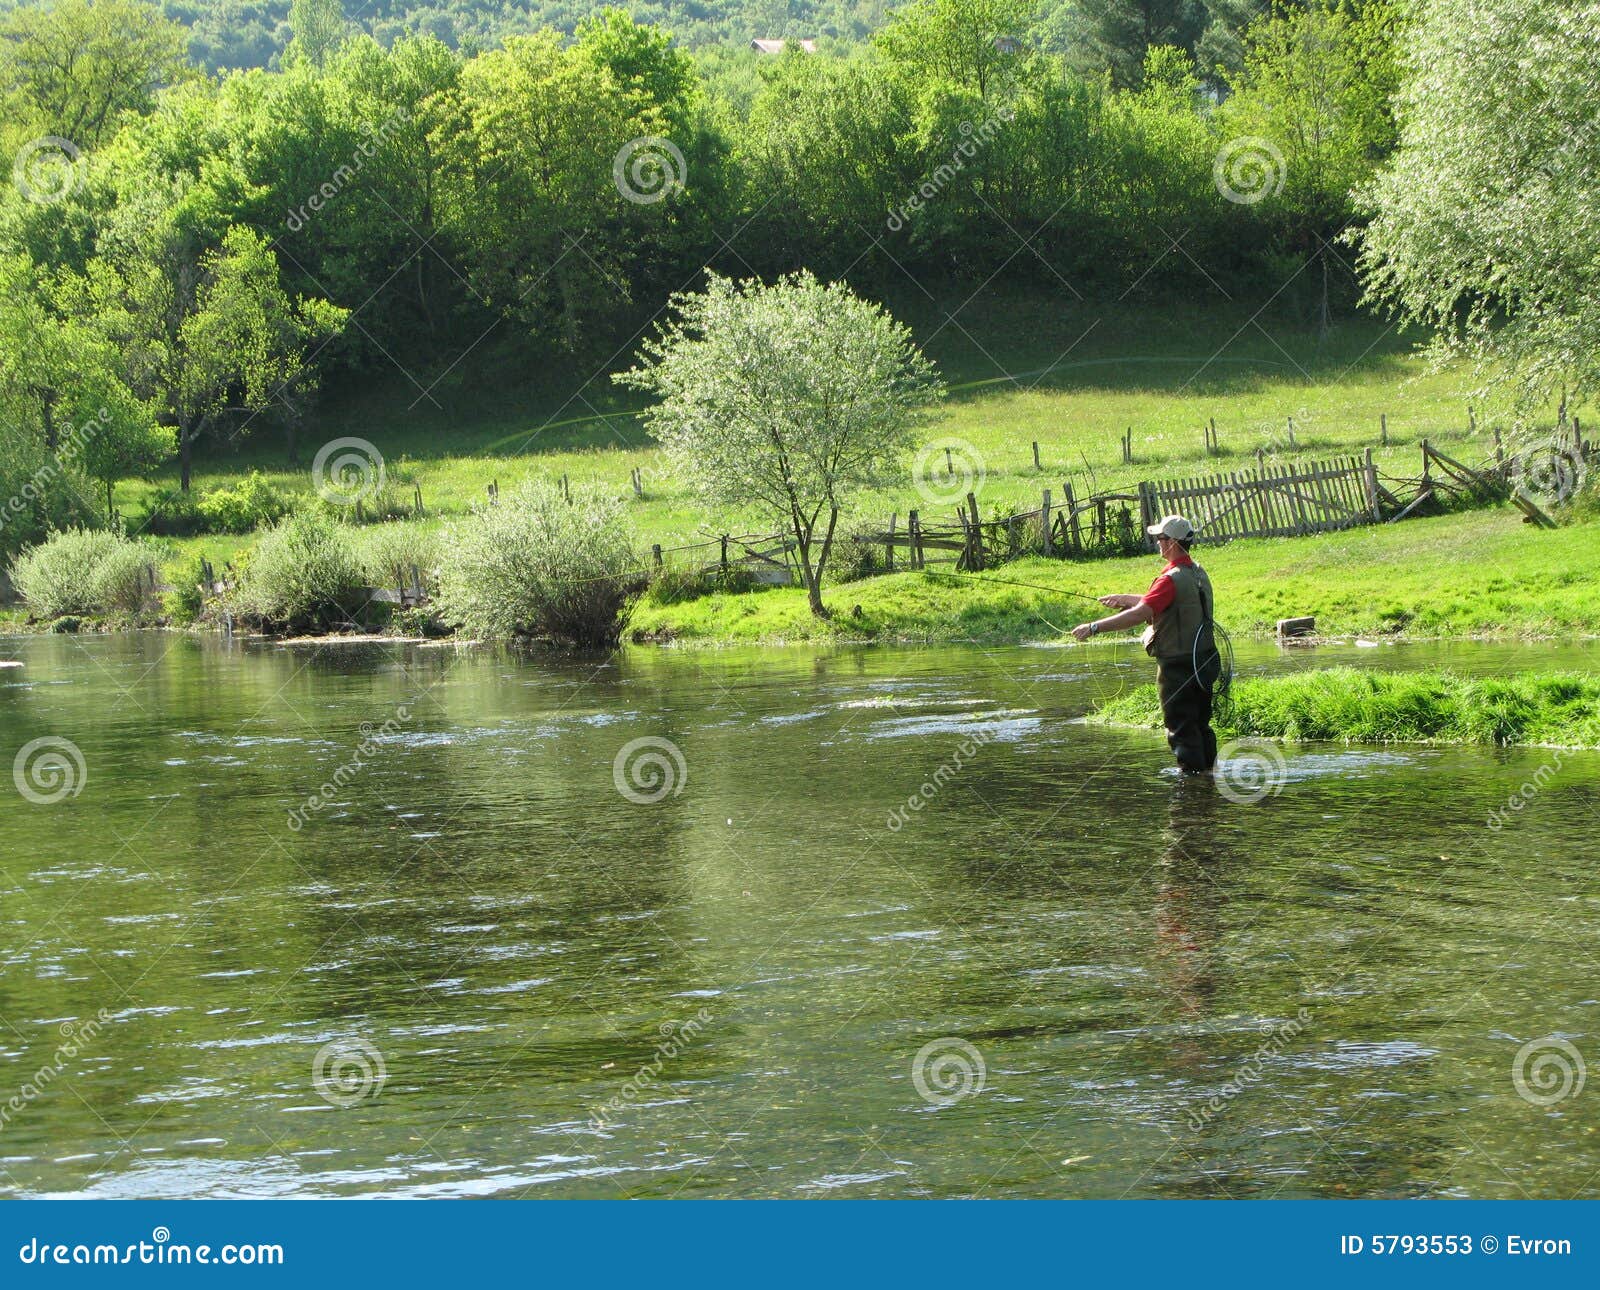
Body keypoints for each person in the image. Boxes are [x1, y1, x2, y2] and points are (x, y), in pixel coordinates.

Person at [1071, 515, 1220, 773]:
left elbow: (1140, 614)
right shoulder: (1196, 571)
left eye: (1160, 538)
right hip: (1205, 659)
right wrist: (1126, 599)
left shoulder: (1169, 579)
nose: (1157, 543)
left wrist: (1094, 627)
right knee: (1200, 724)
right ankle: (1210, 777)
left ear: (1172, 542)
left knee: (1181, 728)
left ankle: (1193, 785)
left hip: (1178, 665)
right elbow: (1174, 601)